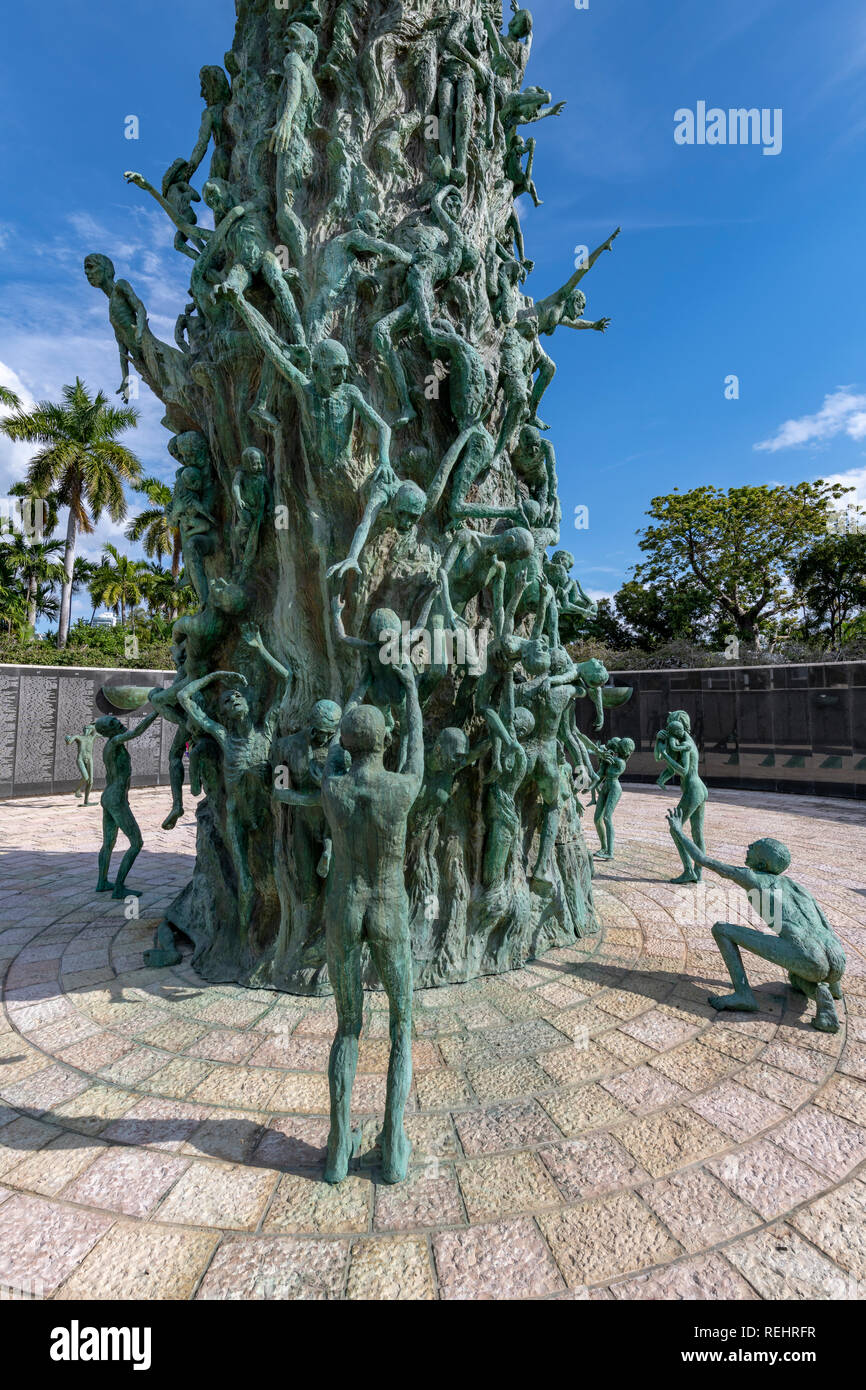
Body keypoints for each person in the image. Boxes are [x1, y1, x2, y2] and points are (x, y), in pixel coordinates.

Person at [276, 664, 423, 1184]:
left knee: (348, 1026)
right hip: (388, 907)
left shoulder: (332, 788)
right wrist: (409, 689)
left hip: (344, 906)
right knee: (402, 1023)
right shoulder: (402, 788)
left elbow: (336, 750)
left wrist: (355, 695)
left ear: (344, 743)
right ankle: (394, 1144)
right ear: (385, 741)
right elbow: (417, 745)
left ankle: (338, 1149)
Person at [667, 810, 846, 1033]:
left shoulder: (753, 877)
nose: (749, 846)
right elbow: (824, 924)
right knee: (796, 977)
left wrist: (677, 830)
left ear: (762, 862)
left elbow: (703, 860)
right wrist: (834, 974)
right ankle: (828, 989)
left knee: (721, 929)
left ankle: (744, 994)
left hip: (809, 956)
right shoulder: (797, 887)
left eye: (755, 847)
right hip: (837, 957)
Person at [94, 711, 160, 899]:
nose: (118, 722)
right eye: (112, 723)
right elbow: (137, 732)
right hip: (115, 799)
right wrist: (157, 711)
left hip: (109, 796)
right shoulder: (115, 742)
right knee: (137, 843)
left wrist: (125, 797)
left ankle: (102, 882)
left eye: (115, 719)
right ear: (107, 731)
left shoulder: (111, 746)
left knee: (108, 843)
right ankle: (119, 888)